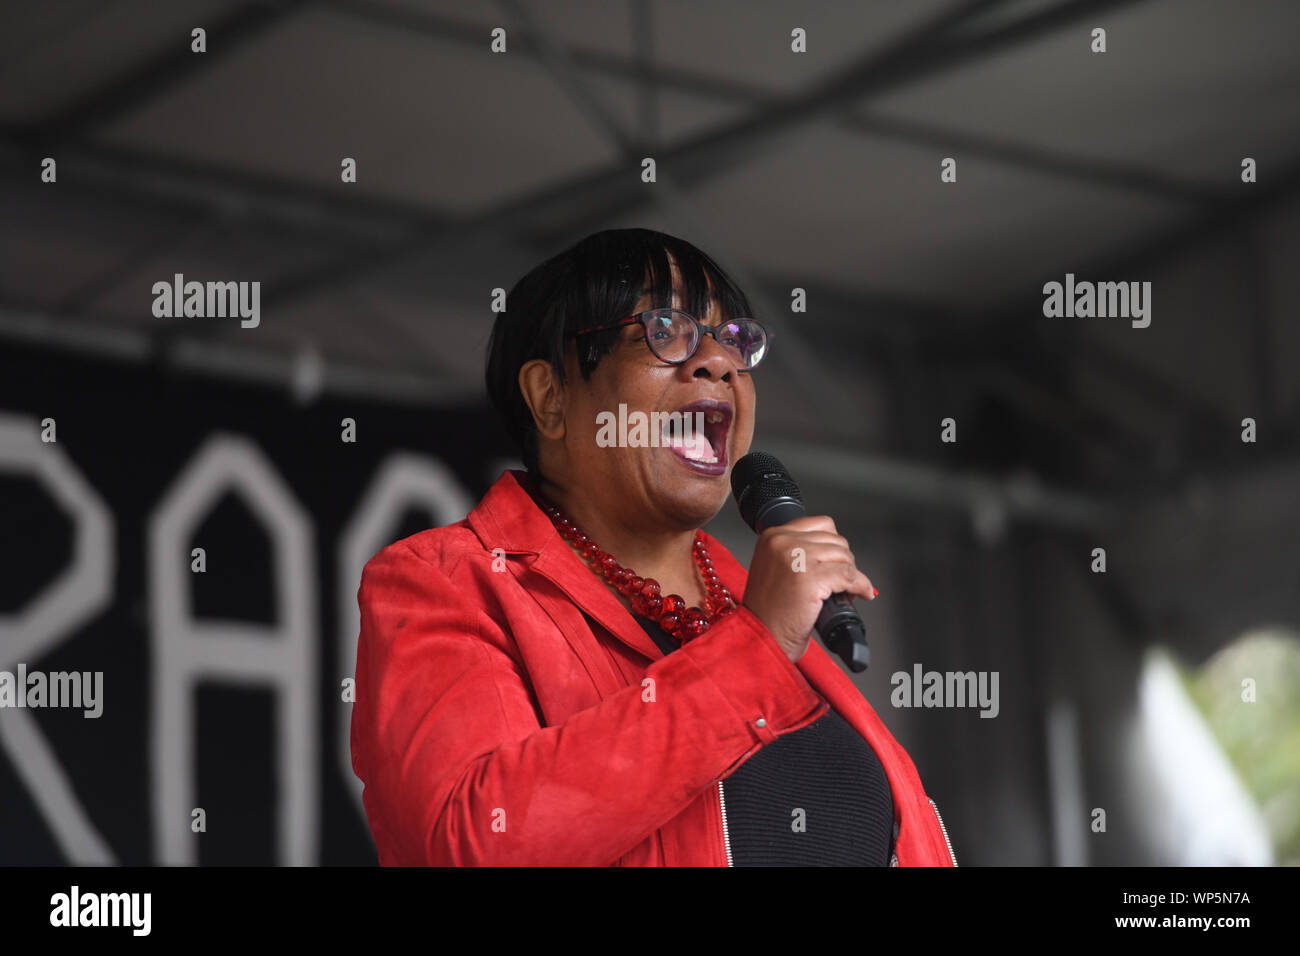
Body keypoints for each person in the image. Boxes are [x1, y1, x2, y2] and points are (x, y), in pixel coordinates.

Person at [349, 228, 957, 866]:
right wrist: (756, 650)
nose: (719, 361)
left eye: (736, 340)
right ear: (550, 397)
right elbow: (475, 844)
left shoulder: (756, 605)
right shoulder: (451, 582)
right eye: (666, 331)